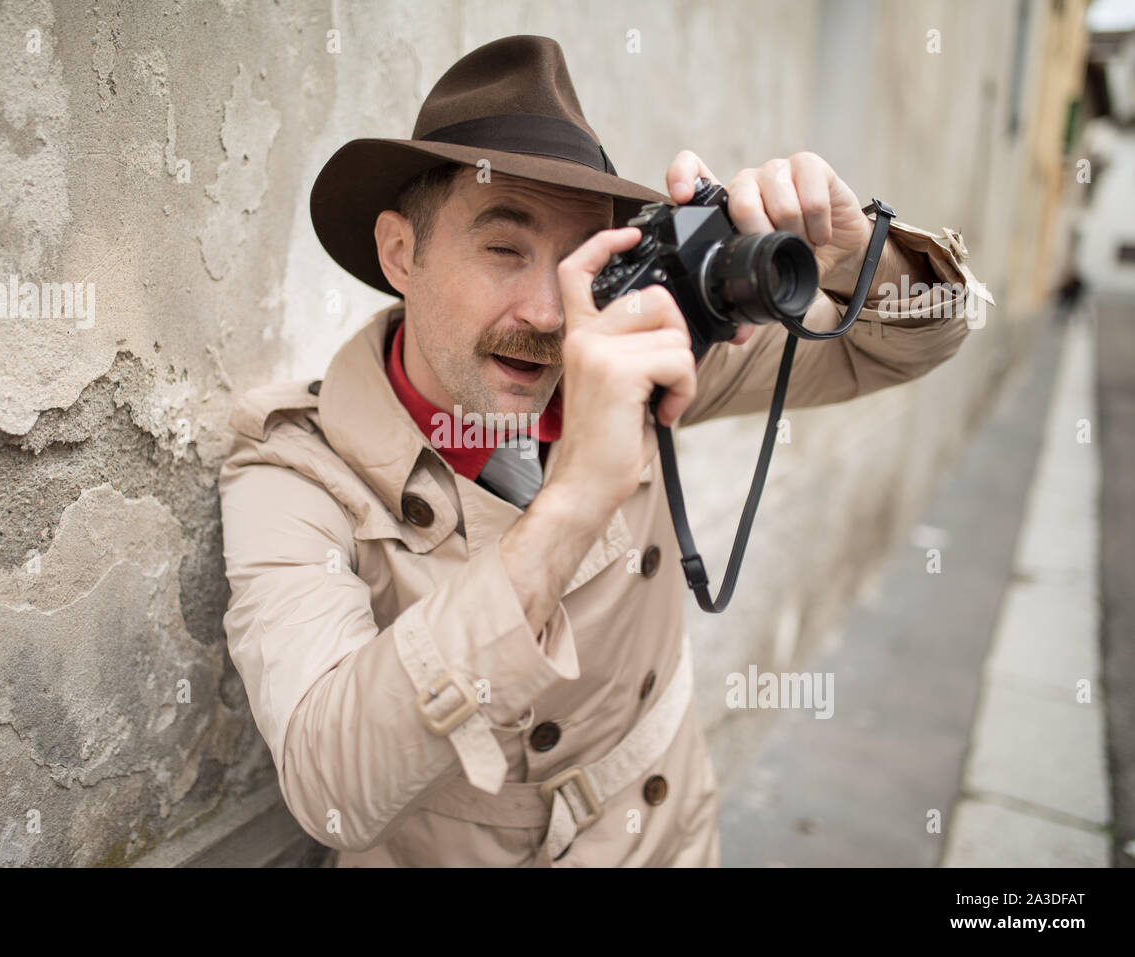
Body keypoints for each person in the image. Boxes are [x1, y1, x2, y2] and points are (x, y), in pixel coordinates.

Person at [218, 35, 992, 866]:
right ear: (401, 252)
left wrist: (848, 257)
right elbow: (331, 790)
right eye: (504, 249)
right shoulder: (294, 472)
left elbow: (922, 337)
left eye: (580, 260)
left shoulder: (643, 363)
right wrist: (575, 499)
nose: (551, 314)